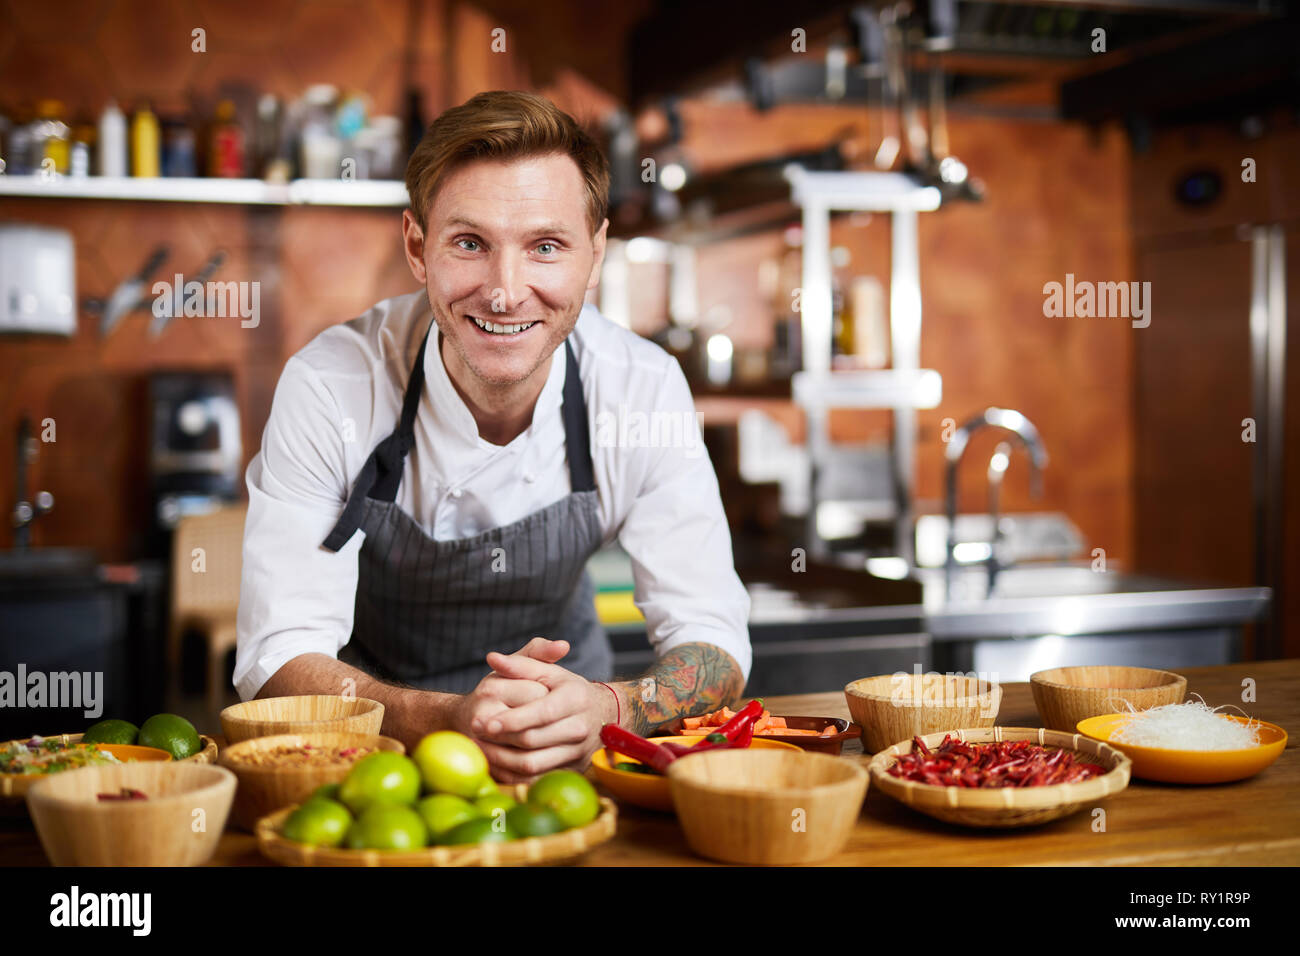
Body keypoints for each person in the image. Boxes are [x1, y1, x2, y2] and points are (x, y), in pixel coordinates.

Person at [234, 91, 751, 781]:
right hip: (374, 762)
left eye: (545, 247)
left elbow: (712, 638)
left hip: (574, 756)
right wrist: (445, 720)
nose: (505, 292)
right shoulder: (333, 387)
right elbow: (276, 657)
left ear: (594, 256)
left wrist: (609, 707)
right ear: (419, 249)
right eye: (470, 243)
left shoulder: (641, 389)